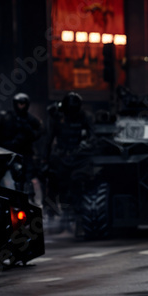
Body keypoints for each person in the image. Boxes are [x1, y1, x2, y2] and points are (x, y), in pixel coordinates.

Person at [44, 92, 95, 223]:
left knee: (78, 182)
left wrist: (87, 144)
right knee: (54, 183)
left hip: (79, 157)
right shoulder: (57, 117)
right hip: (61, 156)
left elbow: (93, 135)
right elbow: (48, 139)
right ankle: (52, 211)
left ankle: (75, 211)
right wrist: (45, 160)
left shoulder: (85, 117)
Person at [0, 93, 44, 198]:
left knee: (26, 177)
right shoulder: (6, 117)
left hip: (24, 153)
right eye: (19, 104)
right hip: (7, 152)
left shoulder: (29, 119)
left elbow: (40, 131)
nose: (21, 106)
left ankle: (26, 198)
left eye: (23, 104)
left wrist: (31, 135)